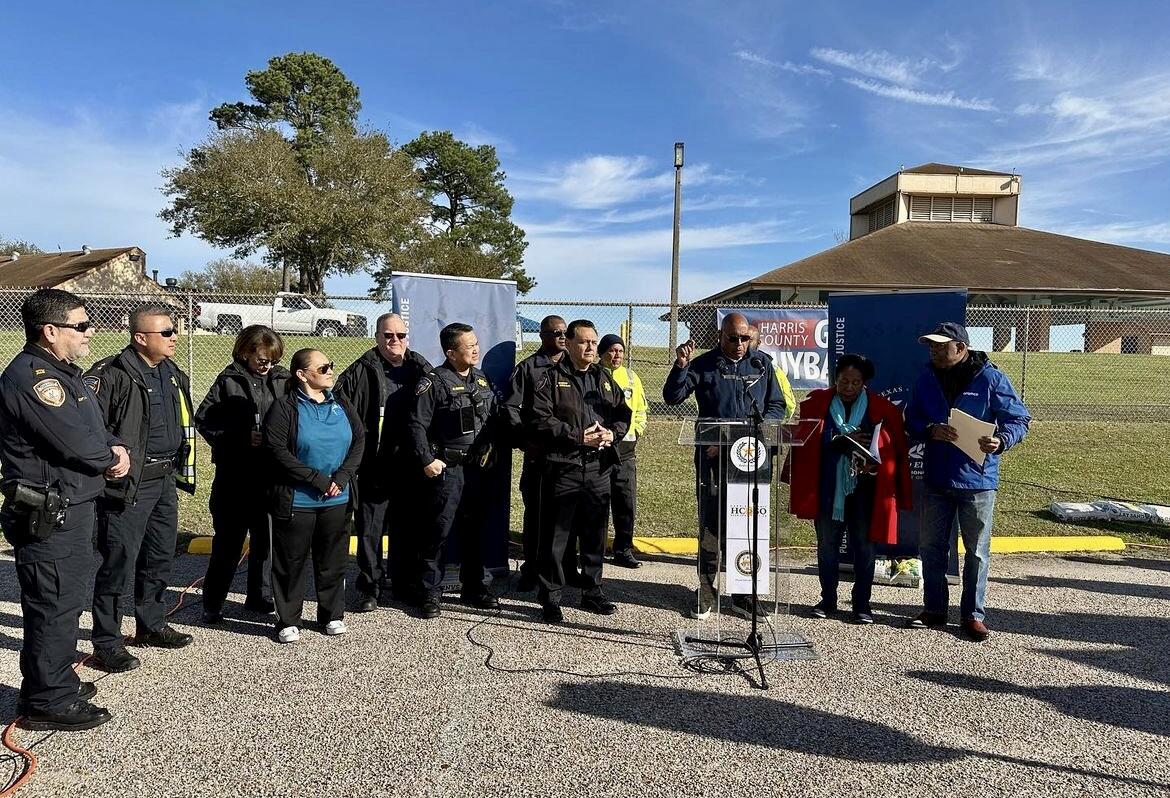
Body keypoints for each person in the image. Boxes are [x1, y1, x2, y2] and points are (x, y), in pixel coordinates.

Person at [0, 289, 127, 731]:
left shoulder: (64, 373)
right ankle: (46, 701)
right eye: (81, 325)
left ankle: (54, 680)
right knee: (53, 603)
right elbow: (74, 441)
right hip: (50, 513)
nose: (90, 332)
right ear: (50, 331)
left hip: (74, 506)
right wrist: (111, 459)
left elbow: (94, 428)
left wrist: (113, 446)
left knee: (65, 600)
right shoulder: (35, 379)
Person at [86, 304, 198, 673]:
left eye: (174, 330)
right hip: (127, 487)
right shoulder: (111, 374)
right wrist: (113, 452)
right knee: (118, 562)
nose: (174, 337)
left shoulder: (172, 373)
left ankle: (151, 624)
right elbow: (89, 426)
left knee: (159, 556)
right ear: (140, 338)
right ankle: (107, 642)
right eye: (165, 332)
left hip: (163, 480)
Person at [904, 322, 1031, 641]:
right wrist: (930, 429)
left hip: (977, 481)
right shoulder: (925, 376)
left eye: (939, 345)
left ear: (960, 348)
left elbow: (1019, 419)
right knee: (931, 546)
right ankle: (934, 610)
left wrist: (1001, 440)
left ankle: (972, 615)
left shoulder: (990, 377)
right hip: (937, 478)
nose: (933, 350)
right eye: (930, 345)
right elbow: (912, 417)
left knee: (976, 552)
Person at [662, 312, 787, 620]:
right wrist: (680, 366)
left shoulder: (761, 365)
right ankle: (706, 591)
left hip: (750, 458)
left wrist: (759, 430)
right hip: (712, 459)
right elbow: (673, 396)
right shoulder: (704, 364)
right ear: (720, 336)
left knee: (748, 526)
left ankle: (744, 594)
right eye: (733, 338)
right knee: (712, 523)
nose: (740, 344)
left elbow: (776, 405)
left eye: (745, 338)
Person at [787, 354, 912, 624]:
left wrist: (875, 465)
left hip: (865, 490)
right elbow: (805, 443)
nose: (849, 387)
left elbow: (893, 450)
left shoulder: (882, 409)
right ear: (836, 378)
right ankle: (828, 599)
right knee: (827, 545)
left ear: (864, 383)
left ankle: (861, 604)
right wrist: (840, 440)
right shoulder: (817, 404)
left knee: (865, 548)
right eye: (844, 381)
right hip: (827, 487)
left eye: (856, 382)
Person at [531, 319, 631, 623]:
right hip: (564, 468)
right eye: (584, 342)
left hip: (598, 469)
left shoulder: (603, 378)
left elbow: (623, 413)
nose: (590, 347)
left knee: (594, 534)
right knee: (556, 536)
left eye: (593, 341)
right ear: (569, 344)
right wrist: (577, 436)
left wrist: (613, 433)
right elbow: (539, 419)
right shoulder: (549, 378)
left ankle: (592, 592)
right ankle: (551, 598)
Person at [263, 349, 364, 643]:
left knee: (332, 559)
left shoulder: (340, 402)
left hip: (337, 497)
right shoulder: (285, 407)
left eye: (331, 365)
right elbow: (277, 450)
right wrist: (317, 479)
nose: (330, 370)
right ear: (302, 375)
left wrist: (342, 477)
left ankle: (332, 615)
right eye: (323, 367)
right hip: (298, 499)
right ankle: (288, 620)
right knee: (291, 561)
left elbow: (359, 439)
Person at [334, 313, 432, 610]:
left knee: (408, 529)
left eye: (400, 335)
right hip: (375, 465)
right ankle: (370, 587)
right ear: (377, 337)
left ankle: (404, 583)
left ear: (408, 337)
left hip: (412, 465)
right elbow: (338, 412)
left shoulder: (422, 369)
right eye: (388, 335)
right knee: (370, 529)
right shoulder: (359, 372)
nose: (395, 341)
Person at [194, 325, 290, 624]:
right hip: (234, 476)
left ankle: (259, 596)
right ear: (246, 352)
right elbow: (205, 421)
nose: (268, 365)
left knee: (266, 541)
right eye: (262, 359)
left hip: (271, 475)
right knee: (228, 543)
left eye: (273, 360)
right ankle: (213, 602)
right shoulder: (228, 380)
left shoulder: (284, 379)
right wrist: (239, 438)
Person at [406, 323, 501, 619]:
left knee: (475, 530)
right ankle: (429, 591)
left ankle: (474, 587)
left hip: (478, 471)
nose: (475, 349)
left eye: (476, 343)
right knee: (438, 531)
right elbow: (416, 425)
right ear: (451, 352)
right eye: (468, 346)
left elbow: (493, 419)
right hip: (447, 469)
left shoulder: (482, 380)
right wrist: (426, 460)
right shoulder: (433, 382)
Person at [502, 315, 577, 591]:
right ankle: (531, 570)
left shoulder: (576, 366)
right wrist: (525, 440)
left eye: (564, 332)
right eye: (555, 332)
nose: (561, 336)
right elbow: (511, 408)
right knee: (537, 515)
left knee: (569, 516)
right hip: (541, 457)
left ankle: (568, 569)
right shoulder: (529, 369)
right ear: (543, 336)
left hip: (571, 456)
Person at [597, 333, 646, 569]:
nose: (616, 355)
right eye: (612, 350)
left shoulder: (631, 376)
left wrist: (635, 431)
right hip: (601, 449)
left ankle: (623, 549)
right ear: (602, 352)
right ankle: (595, 549)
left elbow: (641, 409)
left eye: (620, 351)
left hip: (626, 450)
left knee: (626, 502)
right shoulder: (594, 375)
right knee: (598, 503)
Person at [748, 325, 796, 421]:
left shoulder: (770, 367)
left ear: (758, 343)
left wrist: (768, 422)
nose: (745, 343)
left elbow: (787, 405)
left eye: (749, 339)